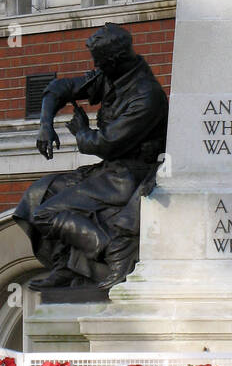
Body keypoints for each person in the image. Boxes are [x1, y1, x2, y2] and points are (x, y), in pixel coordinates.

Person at [13, 23, 168, 293]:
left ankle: (112, 250)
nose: (95, 67)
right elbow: (58, 88)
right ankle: (67, 266)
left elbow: (107, 143)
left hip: (127, 176)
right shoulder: (114, 75)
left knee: (46, 214)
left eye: (99, 62)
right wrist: (45, 124)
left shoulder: (145, 95)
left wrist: (82, 131)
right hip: (110, 171)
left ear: (115, 60)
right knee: (40, 193)